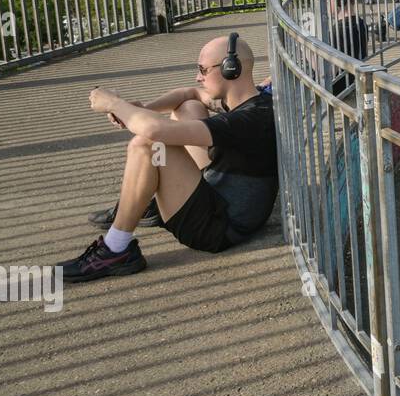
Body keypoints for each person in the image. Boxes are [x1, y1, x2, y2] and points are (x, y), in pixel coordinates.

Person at [64, 34, 278, 282]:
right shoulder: (252, 99)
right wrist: (141, 109)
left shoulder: (250, 119)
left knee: (148, 145)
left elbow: (155, 131)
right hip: (219, 196)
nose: (198, 76)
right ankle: (142, 202)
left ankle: (114, 250)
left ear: (232, 69)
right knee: (188, 106)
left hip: (218, 228)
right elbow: (189, 93)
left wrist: (114, 103)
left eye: (203, 70)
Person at [327, 0, 369, 96]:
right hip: (352, 83)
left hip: (337, 89)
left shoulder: (338, 30)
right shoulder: (361, 23)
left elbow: (329, 74)